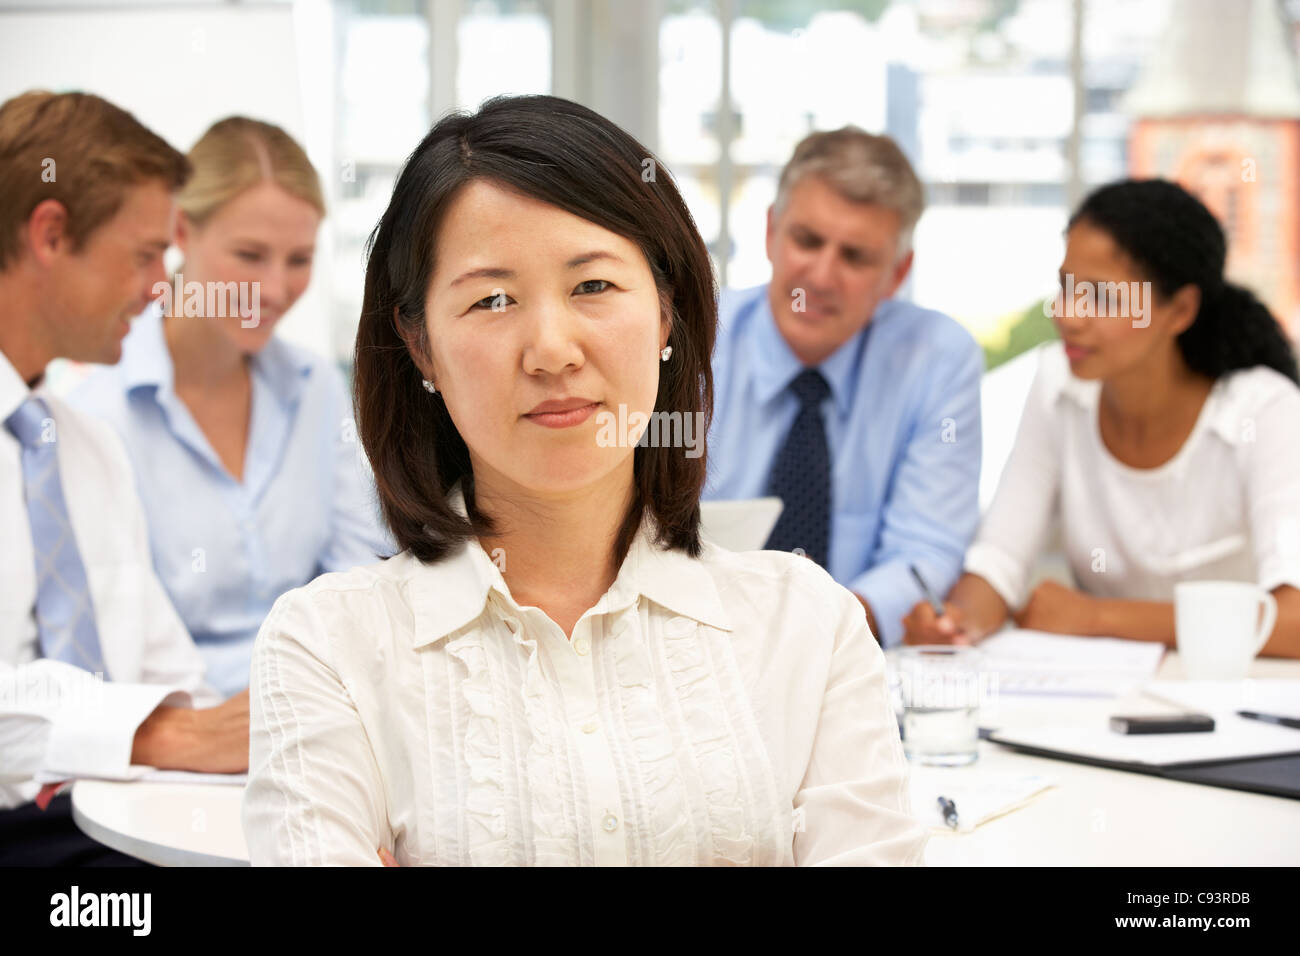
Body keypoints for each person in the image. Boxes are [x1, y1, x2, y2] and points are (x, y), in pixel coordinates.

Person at [241, 94, 928, 866]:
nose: (551, 349)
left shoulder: (809, 628)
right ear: (422, 347)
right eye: (491, 299)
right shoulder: (327, 647)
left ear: (667, 312)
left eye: (592, 287)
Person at [0, 91, 248, 865]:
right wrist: (166, 732)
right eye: (144, 256)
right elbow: (180, 724)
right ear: (50, 234)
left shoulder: (85, 447)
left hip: (115, 820)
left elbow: (174, 674)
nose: (158, 287)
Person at [903, 178, 1300, 658]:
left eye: (1103, 298)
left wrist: (1098, 618)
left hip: (1236, 705)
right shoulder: (1057, 384)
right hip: (1098, 705)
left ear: (1181, 309)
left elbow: (1293, 620)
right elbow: (1000, 560)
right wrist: (955, 622)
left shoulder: (1264, 409)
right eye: (1066, 287)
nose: (1068, 315)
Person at [70, 117, 394, 696]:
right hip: (177, 735)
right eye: (250, 255)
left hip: (320, 701)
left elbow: (362, 580)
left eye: (298, 260)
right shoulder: (97, 414)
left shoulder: (314, 387)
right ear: (181, 233)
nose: (273, 289)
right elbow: (113, 650)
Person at [704, 127, 983, 648]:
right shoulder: (691, 341)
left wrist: (810, 638)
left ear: (897, 273)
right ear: (770, 232)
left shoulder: (937, 359)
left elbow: (926, 550)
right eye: (806, 241)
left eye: (855, 256)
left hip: (847, 656)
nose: (822, 276)